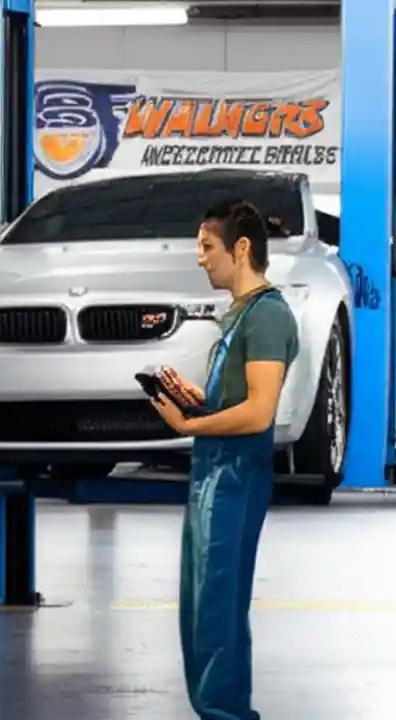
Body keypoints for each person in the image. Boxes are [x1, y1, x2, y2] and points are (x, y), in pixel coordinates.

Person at [149, 199, 299, 720]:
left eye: (206, 247)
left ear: (241, 249)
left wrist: (189, 424)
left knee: (217, 613)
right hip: (211, 475)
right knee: (200, 611)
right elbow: (236, 402)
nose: (199, 258)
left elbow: (258, 413)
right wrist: (197, 399)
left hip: (234, 478)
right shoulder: (240, 317)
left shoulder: (269, 317)